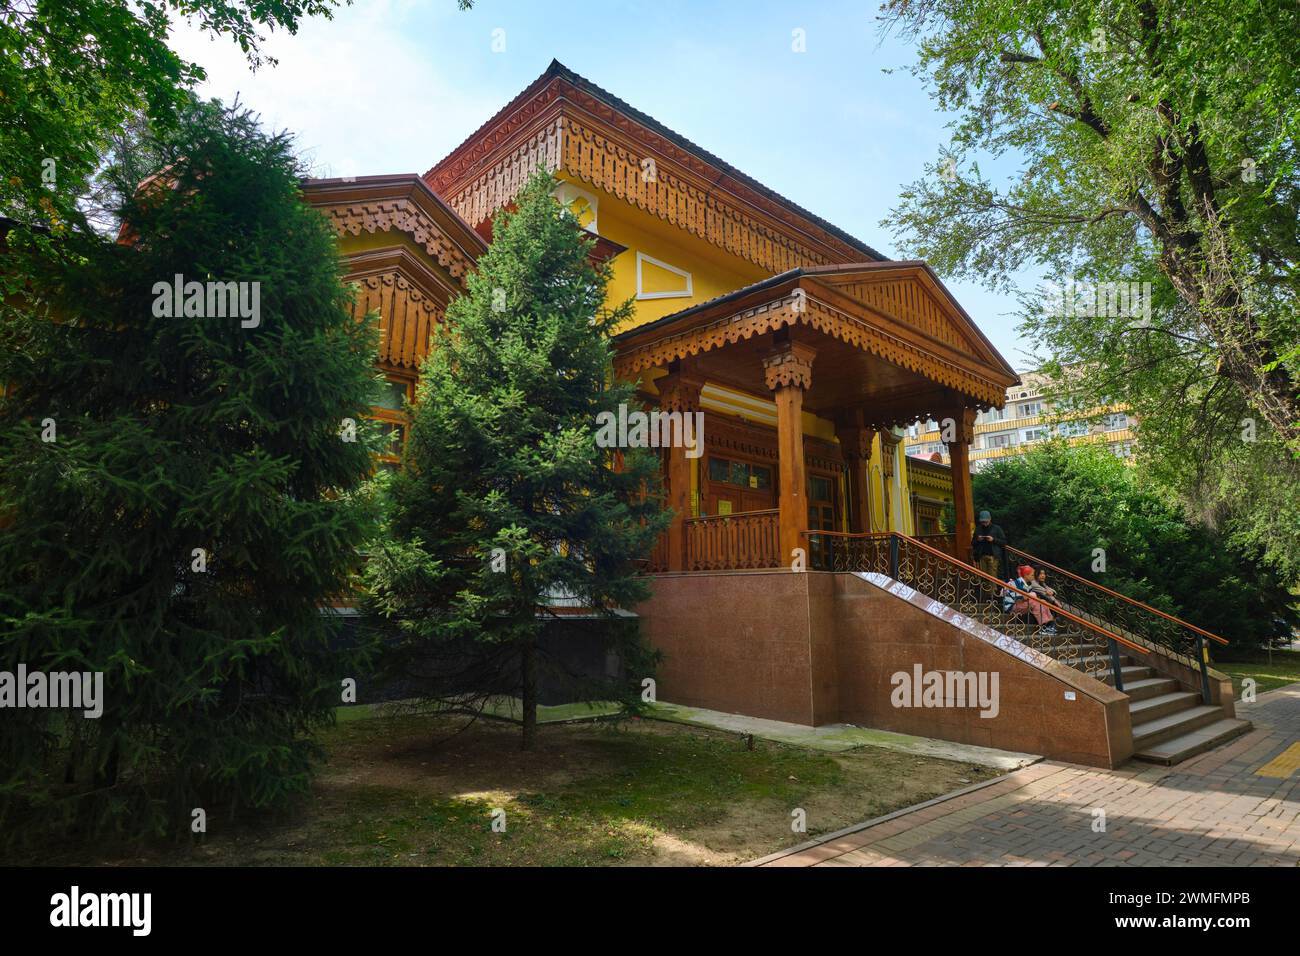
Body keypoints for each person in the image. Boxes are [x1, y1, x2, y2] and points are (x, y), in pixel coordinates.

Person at [1003, 564, 1057, 633]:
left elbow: (1027, 597)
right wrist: (1029, 595)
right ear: (1026, 575)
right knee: (1034, 601)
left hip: (1021, 604)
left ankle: (1050, 623)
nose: (1034, 577)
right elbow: (1017, 597)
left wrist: (1030, 596)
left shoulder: (1029, 585)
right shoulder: (1015, 582)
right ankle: (1044, 625)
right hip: (1011, 606)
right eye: (1032, 575)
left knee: (1043, 601)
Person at [971, 510, 1007, 579]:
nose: (984, 523)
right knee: (984, 578)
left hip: (993, 556)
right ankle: (986, 590)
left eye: (986, 521)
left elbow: (1004, 542)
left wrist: (993, 540)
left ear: (990, 519)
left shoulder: (997, 528)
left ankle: (993, 589)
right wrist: (978, 540)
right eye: (982, 522)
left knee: (992, 577)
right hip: (981, 556)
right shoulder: (978, 529)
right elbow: (973, 543)